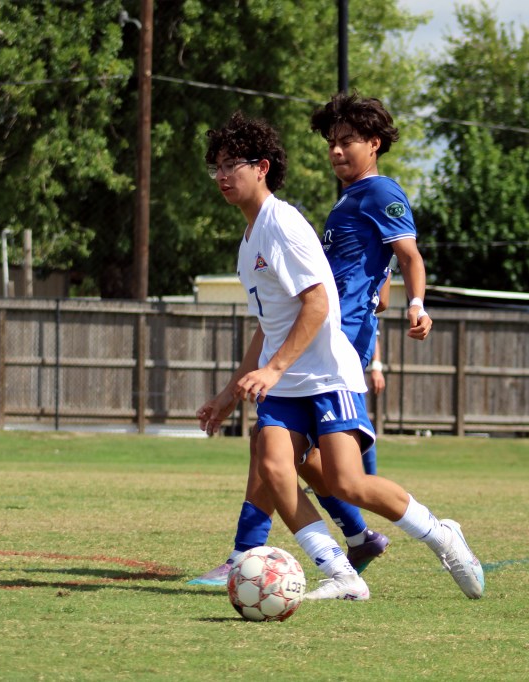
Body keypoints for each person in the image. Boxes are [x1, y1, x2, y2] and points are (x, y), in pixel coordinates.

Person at [195, 111, 483, 601]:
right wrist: (227, 394)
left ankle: (441, 535)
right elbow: (268, 329)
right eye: (215, 168)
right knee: (273, 463)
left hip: (328, 372)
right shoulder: (249, 244)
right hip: (288, 381)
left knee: (348, 482)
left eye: (232, 165)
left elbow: (318, 301)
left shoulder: (282, 223)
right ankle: (340, 571)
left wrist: (274, 368)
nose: (222, 176)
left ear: (261, 167)